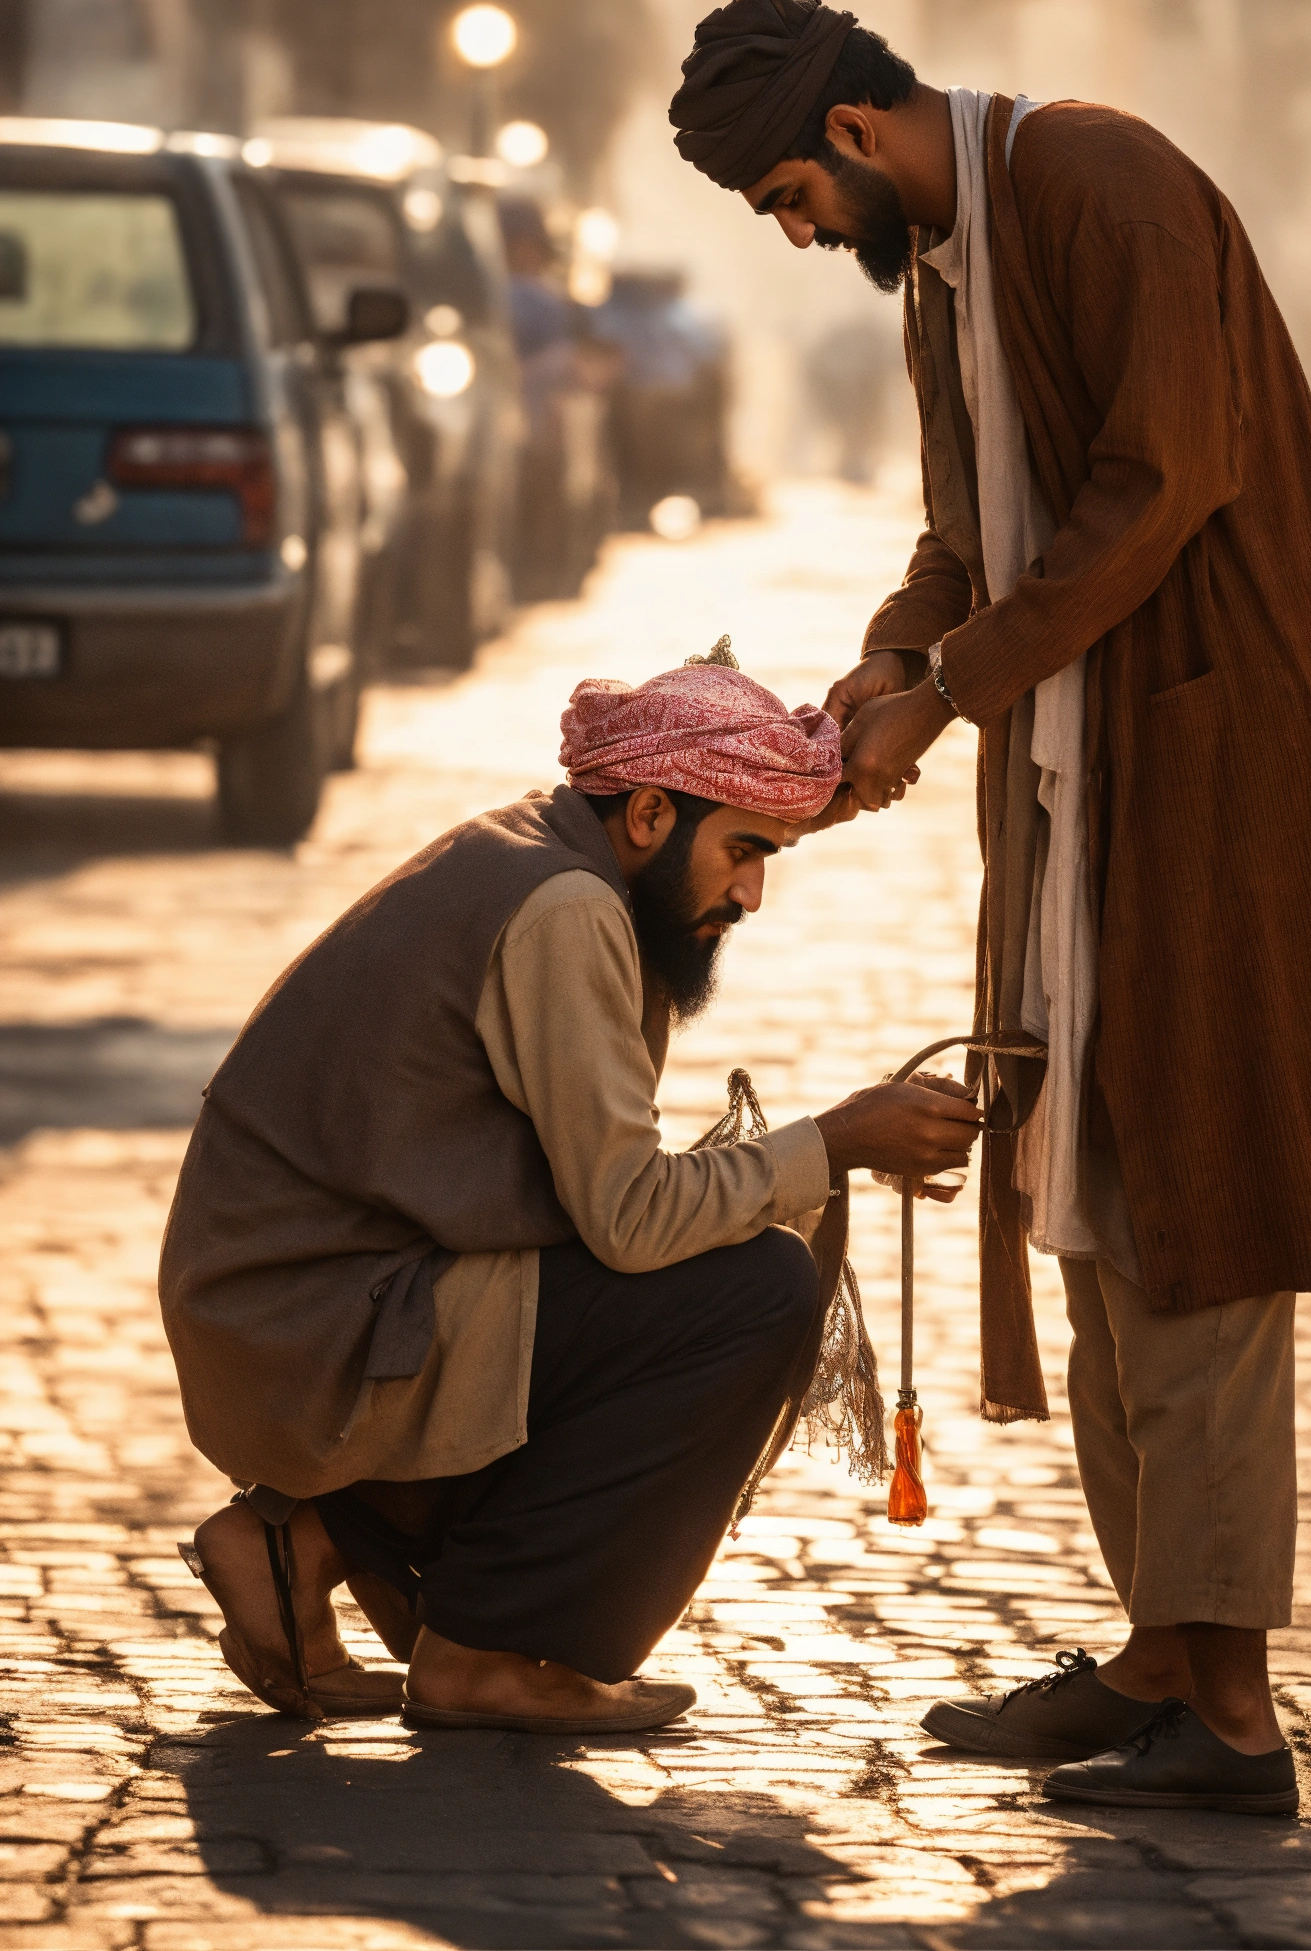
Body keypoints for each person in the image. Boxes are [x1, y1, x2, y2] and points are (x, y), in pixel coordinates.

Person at [668, 0, 1311, 1818]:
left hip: (1216, 773)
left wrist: (955, 687)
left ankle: (1230, 1718)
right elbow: (970, 540)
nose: (795, 237)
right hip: (1082, 791)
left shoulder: (1101, 184)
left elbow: (1159, 481)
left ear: (857, 135)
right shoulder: (949, 269)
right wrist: (883, 675)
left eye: (790, 196)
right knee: (1093, 1192)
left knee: (1202, 1210)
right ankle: (1164, 1654)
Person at [160, 652, 981, 1738]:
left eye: (768, 853)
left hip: (295, 1312)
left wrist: (791, 809)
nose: (751, 892)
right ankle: (483, 1652)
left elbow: (587, 1200)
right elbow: (629, 1217)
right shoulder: (565, 909)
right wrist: (837, 1139)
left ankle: (298, 1544)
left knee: (709, 1240)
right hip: (312, 1334)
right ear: (647, 812)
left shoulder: (547, 848)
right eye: (745, 851)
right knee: (753, 1288)